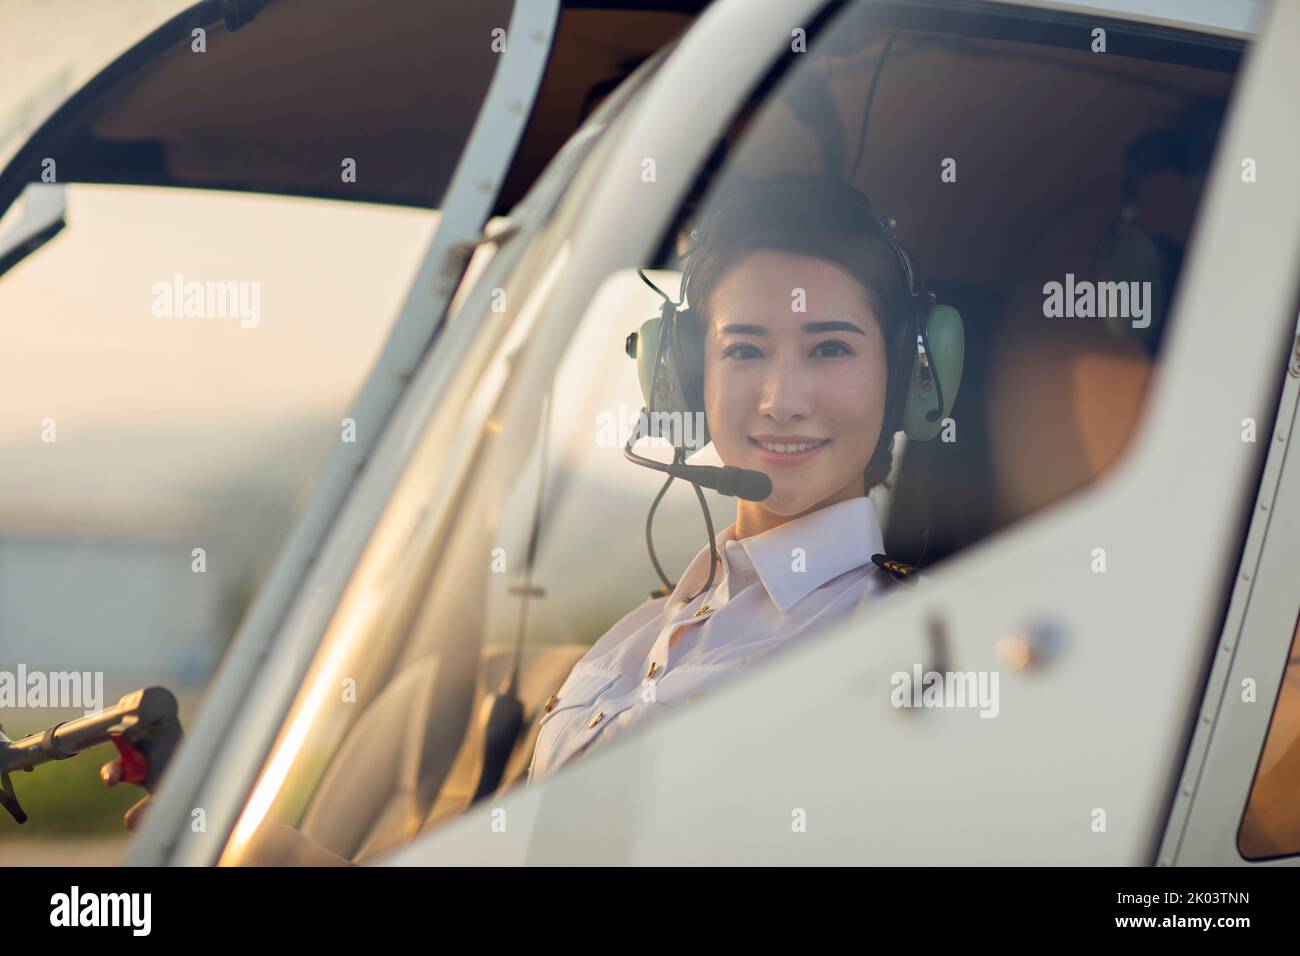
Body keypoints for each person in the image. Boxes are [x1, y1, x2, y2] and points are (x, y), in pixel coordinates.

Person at [528, 175, 938, 784]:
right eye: (744, 351)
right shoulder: (641, 629)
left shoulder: (902, 649)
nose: (782, 402)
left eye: (829, 350)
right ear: (688, 377)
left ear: (903, 376)